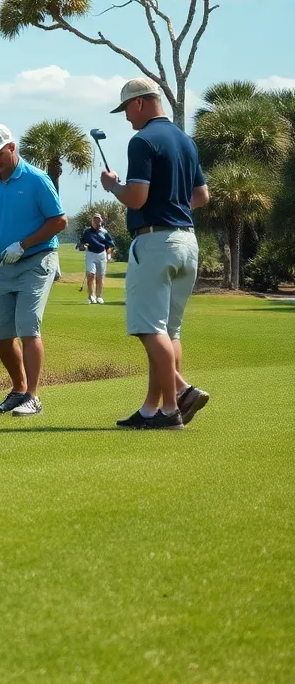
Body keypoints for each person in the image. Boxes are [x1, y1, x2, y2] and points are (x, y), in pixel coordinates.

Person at [100, 77, 211, 430]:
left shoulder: (143, 140)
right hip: (187, 243)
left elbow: (136, 198)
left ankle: (181, 390)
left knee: (148, 329)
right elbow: (201, 196)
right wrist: (172, 207)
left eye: (126, 110)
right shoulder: (185, 140)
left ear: (140, 104)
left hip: (154, 243)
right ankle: (158, 410)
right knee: (169, 332)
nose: (127, 118)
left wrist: (112, 185)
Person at [0, 124, 68, 416]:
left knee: (28, 326)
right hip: (6, 265)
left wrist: (23, 245)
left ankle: (33, 397)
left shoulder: (37, 180)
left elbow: (59, 221)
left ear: (12, 147)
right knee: (0, 333)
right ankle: (19, 389)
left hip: (38, 260)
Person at [77, 212, 116, 304]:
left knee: (100, 276)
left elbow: (110, 245)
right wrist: (84, 246)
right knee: (90, 275)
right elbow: (81, 243)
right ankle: (91, 296)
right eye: (95, 220)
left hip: (101, 255)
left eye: (98, 220)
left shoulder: (104, 232)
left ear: (101, 221)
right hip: (90, 254)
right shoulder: (87, 232)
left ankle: (99, 296)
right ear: (92, 221)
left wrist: (109, 254)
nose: (96, 221)